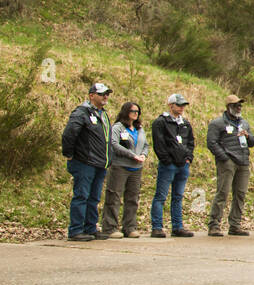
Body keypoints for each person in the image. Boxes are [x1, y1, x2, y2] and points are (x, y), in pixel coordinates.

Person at [61, 82, 112, 241]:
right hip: (84, 162)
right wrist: (69, 154)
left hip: (100, 163)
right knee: (81, 196)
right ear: (91, 96)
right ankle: (75, 230)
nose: (105, 97)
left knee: (94, 198)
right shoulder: (81, 112)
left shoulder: (103, 114)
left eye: (107, 94)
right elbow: (69, 134)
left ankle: (90, 228)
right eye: (102, 94)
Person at [206, 94, 254, 236]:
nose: (239, 108)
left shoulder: (244, 123)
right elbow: (211, 143)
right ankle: (214, 224)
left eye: (240, 105)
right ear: (229, 107)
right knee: (223, 192)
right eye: (236, 105)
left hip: (243, 162)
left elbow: (252, 142)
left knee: (240, 194)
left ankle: (235, 224)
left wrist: (248, 136)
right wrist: (224, 158)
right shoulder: (217, 123)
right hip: (228, 162)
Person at [150, 93, 196, 238]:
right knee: (161, 196)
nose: (182, 108)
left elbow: (190, 142)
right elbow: (159, 144)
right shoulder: (161, 122)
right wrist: (167, 160)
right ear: (171, 105)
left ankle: (177, 227)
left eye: (183, 105)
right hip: (168, 165)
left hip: (183, 165)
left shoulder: (185, 123)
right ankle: (157, 227)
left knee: (178, 196)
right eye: (179, 105)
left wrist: (188, 158)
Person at [103, 101, 148, 237]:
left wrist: (143, 155)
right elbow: (114, 144)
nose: (135, 114)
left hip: (136, 168)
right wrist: (132, 155)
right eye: (133, 111)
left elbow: (145, 144)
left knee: (132, 198)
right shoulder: (118, 127)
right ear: (126, 112)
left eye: (137, 112)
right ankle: (110, 227)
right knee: (114, 196)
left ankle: (130, 227)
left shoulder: (139, 128)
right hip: (120, 166)